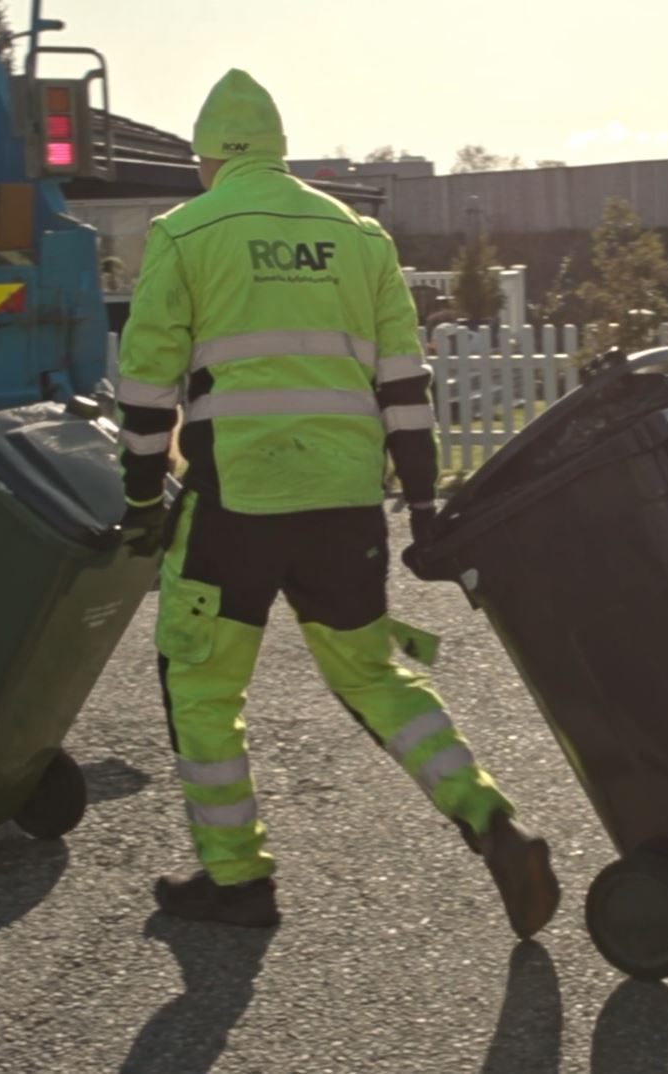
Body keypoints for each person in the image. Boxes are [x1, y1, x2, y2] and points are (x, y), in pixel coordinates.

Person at [112, 69, 558, 937]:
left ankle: (238, 882)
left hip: (236, 506)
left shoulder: (183, 232)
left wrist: (139, 499)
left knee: (200, 685)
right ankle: (492, 823)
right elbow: (405, 383)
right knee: (371, 674)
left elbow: (145, 390)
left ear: (209, 158)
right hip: (347, 505)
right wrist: (423, 506)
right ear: (277, 150)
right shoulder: (360, 239)